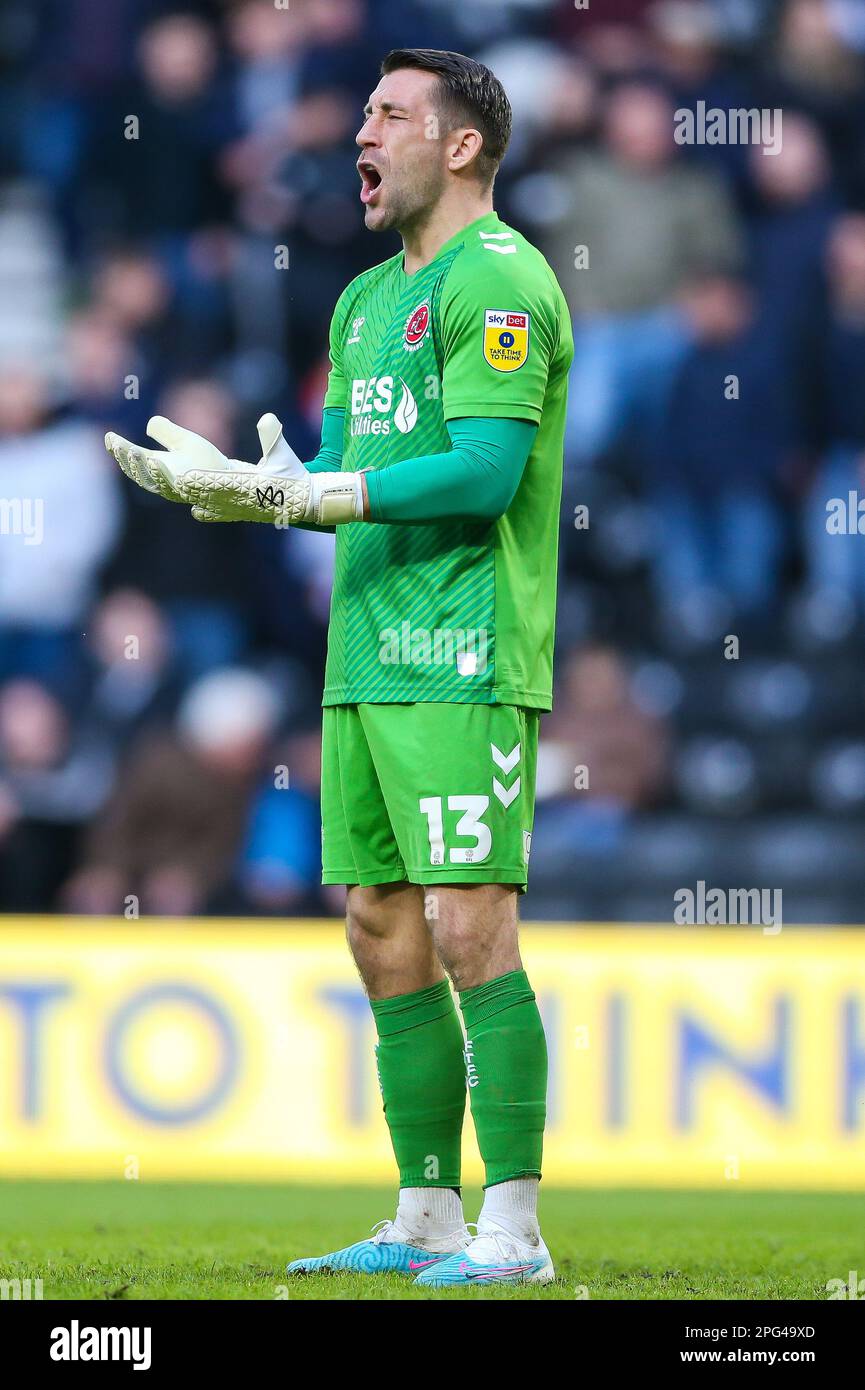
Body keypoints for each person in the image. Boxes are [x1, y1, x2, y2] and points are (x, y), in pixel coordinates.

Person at [105, 48, 572, 1288]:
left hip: (466, 649)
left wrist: (318, 489)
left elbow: (480, 473)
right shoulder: (365, 301)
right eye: (361, 113)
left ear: (461, 143)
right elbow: (339, 476)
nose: (358, 134)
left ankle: (513, 1232)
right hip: (364, 647)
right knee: (378, 926)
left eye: (386, 116)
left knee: (473, 925)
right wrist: (260, 489)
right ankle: (424, 1211)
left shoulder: (504, 279)